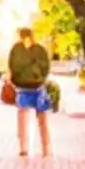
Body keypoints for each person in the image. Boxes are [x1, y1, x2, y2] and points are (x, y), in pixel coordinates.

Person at [8, 27, 52, 157]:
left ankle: (38, 147)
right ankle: (31, 148)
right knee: (30, 118)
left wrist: (38, 76)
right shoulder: (20, 49)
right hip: (28, 87)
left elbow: (45, 67)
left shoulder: (36, 50)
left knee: (36, 119)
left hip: (32, 87)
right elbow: (13, 66)